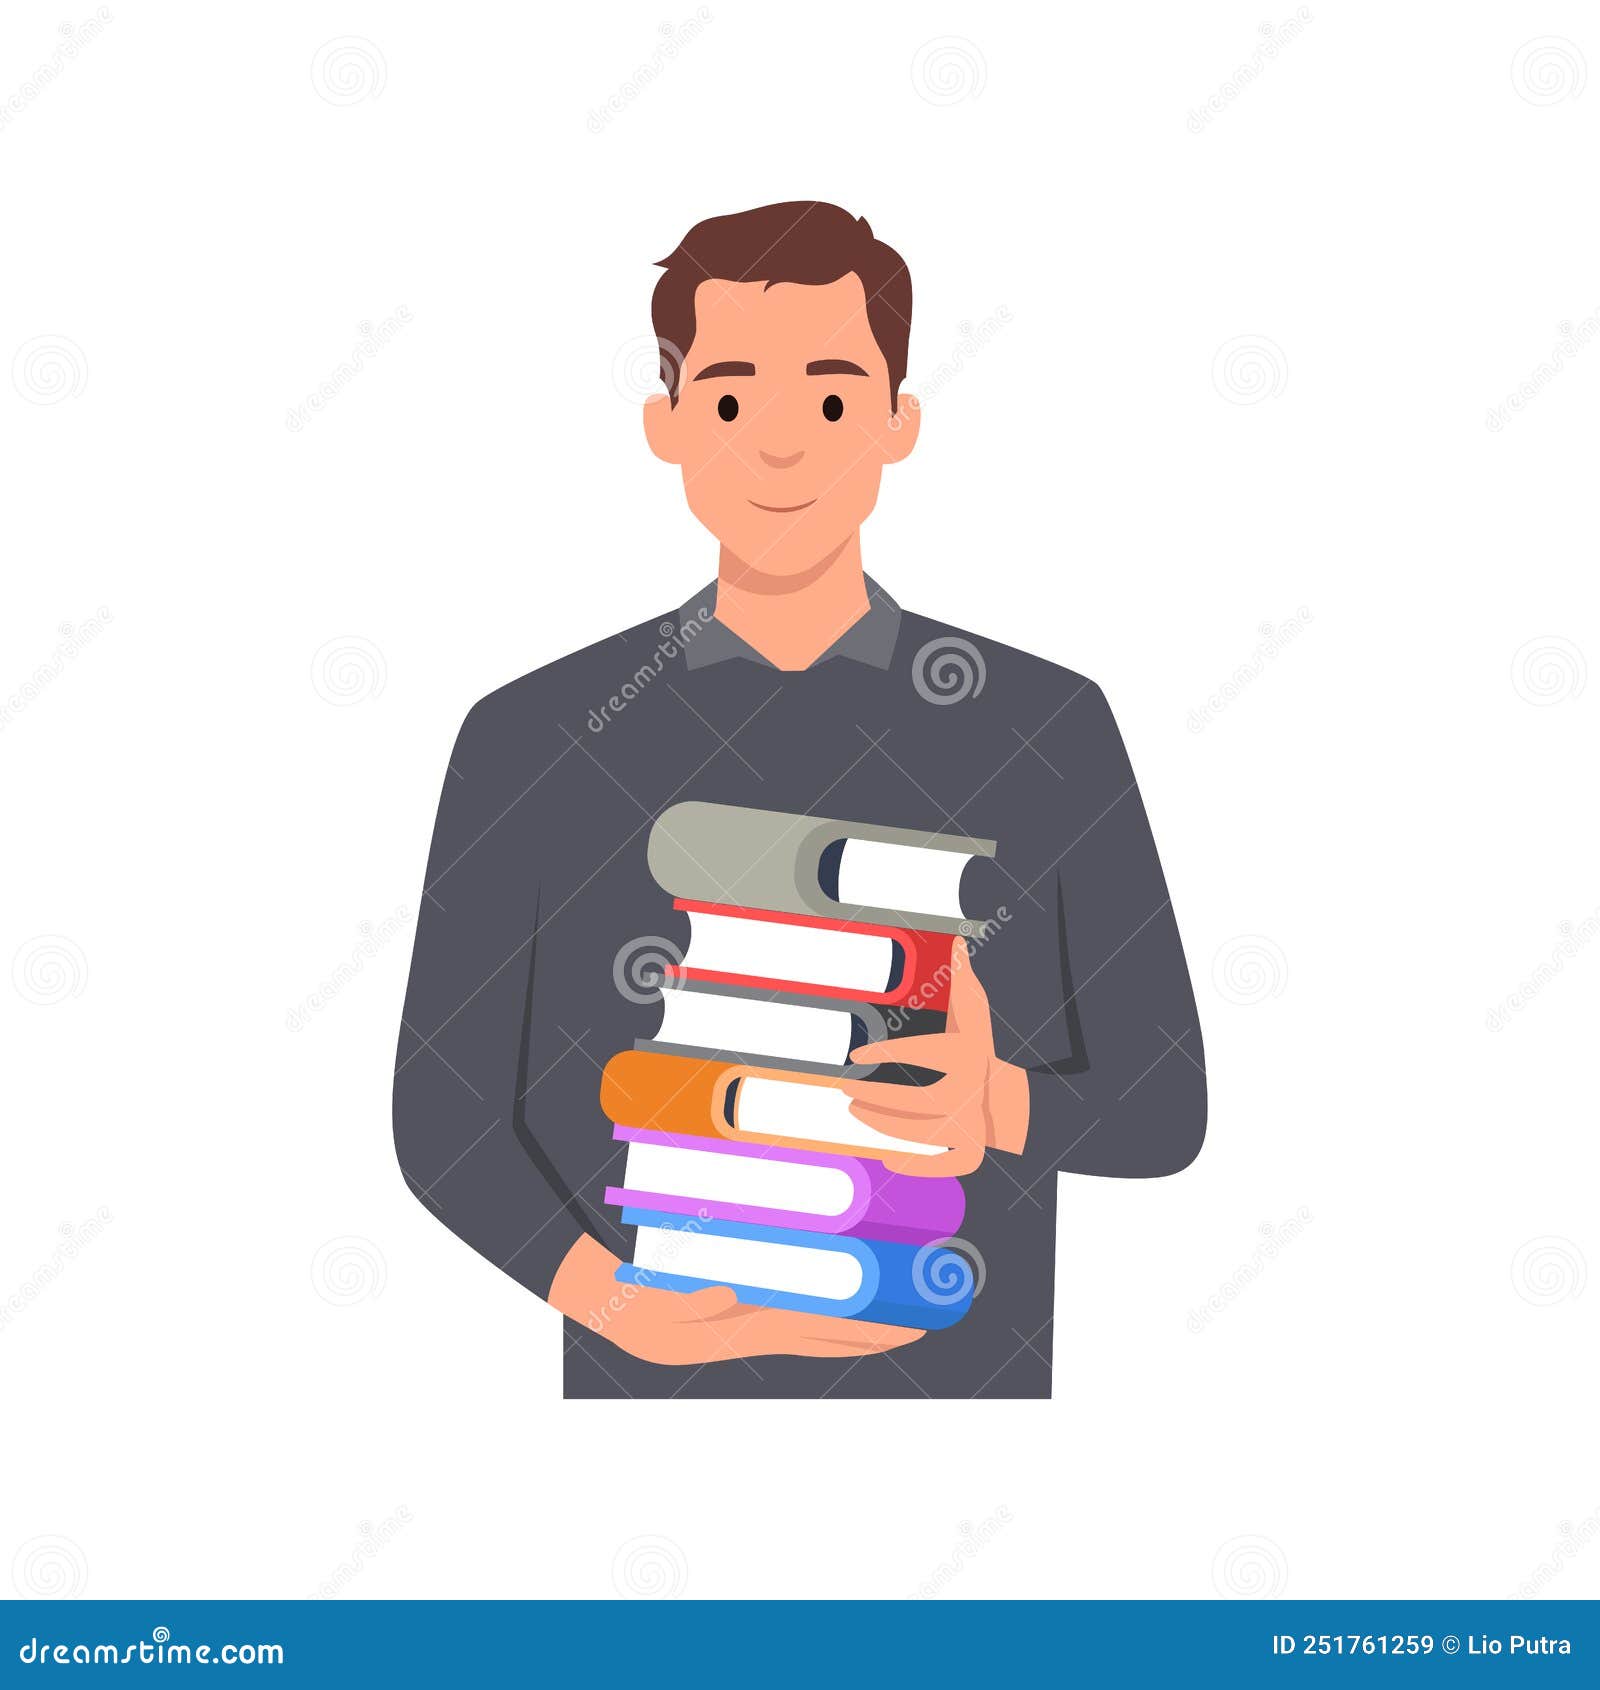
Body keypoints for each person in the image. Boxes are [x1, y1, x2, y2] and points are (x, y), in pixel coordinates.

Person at [393, 202, 1205, 1398]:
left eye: (830, 400)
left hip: (967, 1416)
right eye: (729, 400)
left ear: (896, 422)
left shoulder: (1044, 728)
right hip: (638, 1425)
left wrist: (999, 1101)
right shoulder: (534, 739)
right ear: (666, 426)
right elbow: (443, 1113)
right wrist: (605, 1298)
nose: (780, 448)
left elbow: (1163, 1104)